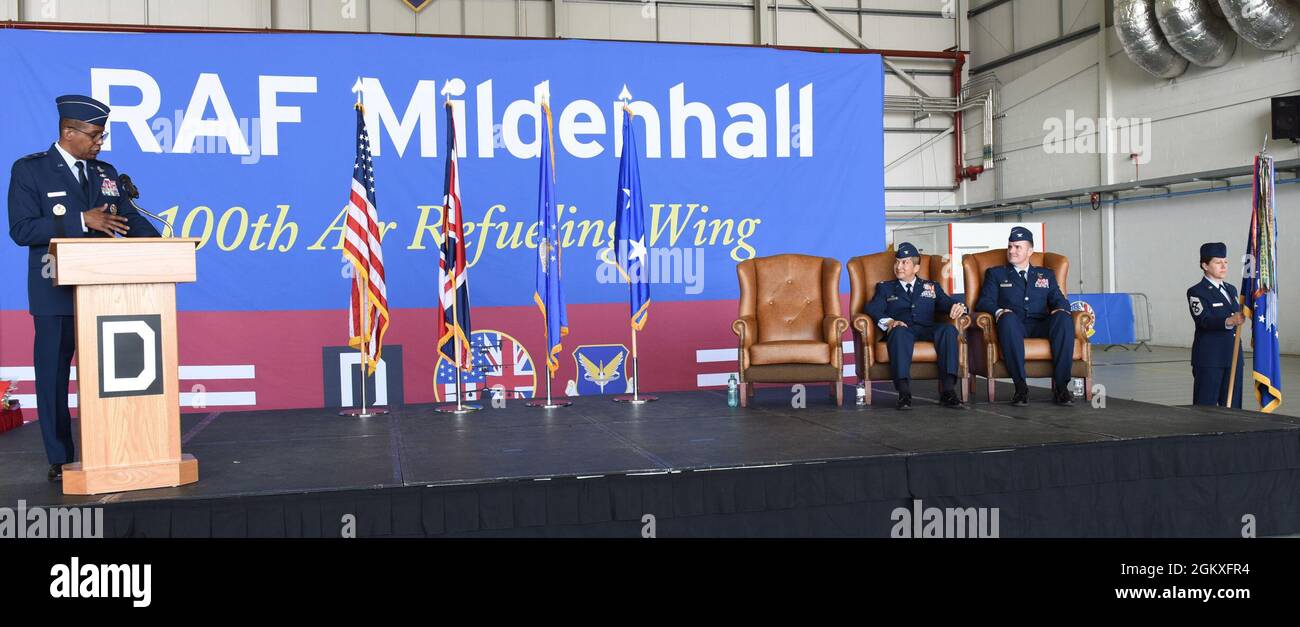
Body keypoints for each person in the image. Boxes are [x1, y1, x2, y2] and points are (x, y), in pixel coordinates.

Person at [7, 95, 159, 481]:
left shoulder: (105, 173)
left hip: (106, 295)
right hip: (54, 293)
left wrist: (161, 246)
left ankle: (111, 446)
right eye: (93, 135)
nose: (99, 142)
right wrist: (81, 219)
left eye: (102, 135)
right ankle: (60, 458)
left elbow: (130, 221)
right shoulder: (31, 171)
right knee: (53, 380)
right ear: (68, 132)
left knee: (107, 379)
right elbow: (22, 230)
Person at [974, 226, 1075, 406]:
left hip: (1041, 325)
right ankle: (1021, 388)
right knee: (1008, 319)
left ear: (1030, 251)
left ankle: (1061, 388)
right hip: (1013, 325)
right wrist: (999, 311)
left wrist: (1060, 309)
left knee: (1064, 318)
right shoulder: (996, 273)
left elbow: (1060, 299)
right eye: (1010, 246)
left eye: (1017, 247)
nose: (1012, 251)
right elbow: (984, 302)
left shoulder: (1046, 274)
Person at [865, 242, 967, 410]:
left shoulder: (931, 287)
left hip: (927, 328)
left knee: (949, 330)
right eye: (897, 261)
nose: (899, 266)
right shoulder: (885, 288)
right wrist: (889, 322)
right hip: (902, 329)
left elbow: (947, 302)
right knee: (898, 332)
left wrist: (960, 306)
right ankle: (904, 393)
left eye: (904, 262)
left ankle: (948, 391)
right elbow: (872, 308)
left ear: (916, 267)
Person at [1186, 242, 1246, 408]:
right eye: (1218, 262)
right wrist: (1229, 321)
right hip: (1210, 359)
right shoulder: (1197, 291)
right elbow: (1203, 320)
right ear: (1205, 265)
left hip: (1232, 357)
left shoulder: (1231, 290)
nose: (1223, 266)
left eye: (1225, 262)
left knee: (1234, 408)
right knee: (1205, 409)